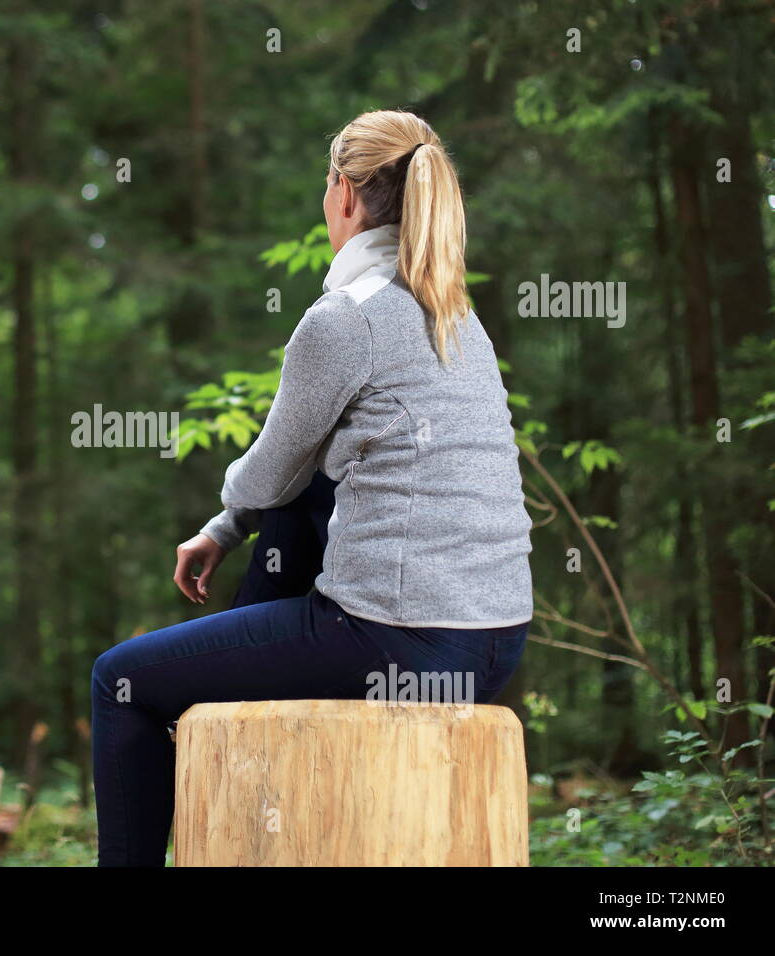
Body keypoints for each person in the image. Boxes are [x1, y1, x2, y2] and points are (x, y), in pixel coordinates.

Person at [90, 110, 533, 867]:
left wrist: (230, 505)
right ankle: (232, 687)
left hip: (398, 642)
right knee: (307, 490)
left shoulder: (345, 318)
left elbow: (266, 470)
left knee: (119, 679)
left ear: (345, 197)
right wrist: (229, 529)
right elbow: (295, 478)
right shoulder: (456, 314)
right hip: (494, 644)